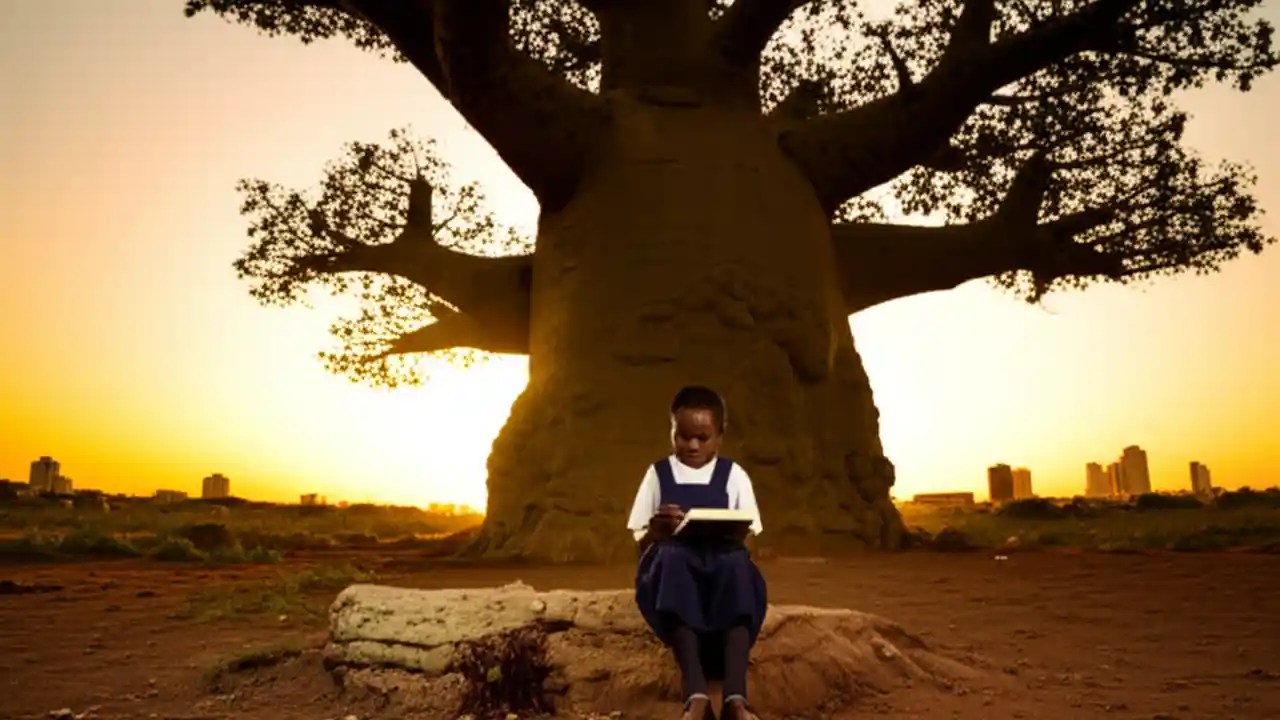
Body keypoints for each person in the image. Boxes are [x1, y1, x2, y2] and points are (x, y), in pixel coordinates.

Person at [628, 386, 767, 720]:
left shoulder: (733, 475)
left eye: (702, 438)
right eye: (683, 436)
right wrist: (656, 532)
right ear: (672, 432)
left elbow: (752, 537)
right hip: (673, 568)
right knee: (674, 562)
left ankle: (736, 700)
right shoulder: (657, 474)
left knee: (736, 566)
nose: (691, 445)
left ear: (720, 436)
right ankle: (696, 695)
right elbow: (639, 541)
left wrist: (729, 537)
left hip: (721, 567)